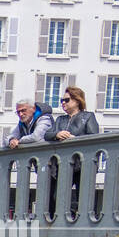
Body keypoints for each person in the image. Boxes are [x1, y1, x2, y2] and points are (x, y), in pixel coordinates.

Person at [45, 86, 100, 218]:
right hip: (63, 163)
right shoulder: (60, 120)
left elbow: (94, 136)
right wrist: (57, 134)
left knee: (83, 195)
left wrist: (75, 139)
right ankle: (65, 219)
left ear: (77, 100)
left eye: (66, 100)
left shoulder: (87, 117)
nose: (63, 103)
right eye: (61, 100)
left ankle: (83, 221)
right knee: (58, 196)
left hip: (82, 163)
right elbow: (47, 134)